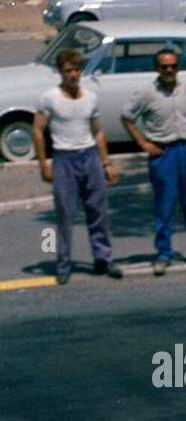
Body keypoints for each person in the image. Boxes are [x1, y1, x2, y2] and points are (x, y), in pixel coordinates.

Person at [121, 46, 186, 276]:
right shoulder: (146, 93)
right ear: (157, 68)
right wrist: (144, 144)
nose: (169, 70)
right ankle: (163, 253)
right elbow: (126, 117)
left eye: (173, 66)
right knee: (164, 207)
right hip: (163, 154)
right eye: (164, 67)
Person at [33, 46, 120, 284]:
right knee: (64, 214)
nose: (73, 75)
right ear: (61, 72)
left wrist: (106, 163)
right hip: (64, 159)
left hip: (89, 156)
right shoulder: (49, 98)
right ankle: (62, 264)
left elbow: (98, 132)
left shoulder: (90, 97)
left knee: (98, 211)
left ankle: (103, 258)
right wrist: (43, 164)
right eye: (68, 70)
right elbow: (38, 131)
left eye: (77, 70)